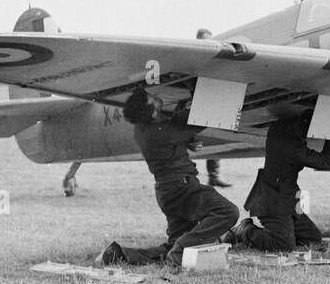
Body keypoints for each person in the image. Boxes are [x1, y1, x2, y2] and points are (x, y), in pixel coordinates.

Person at [100, 88, 240, 268]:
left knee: (173, 242)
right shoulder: (161, 132)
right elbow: (203, 116)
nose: (155, 96)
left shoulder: (145, 129)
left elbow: (173, 131)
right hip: (182, 189)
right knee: (228, 212)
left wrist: (185, 141)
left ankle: (120, 254)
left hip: (169, 191)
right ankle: (180, 252)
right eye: (151, 98)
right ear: (151, 109)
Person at [234, 111, 330, 251]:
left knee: (312, 238)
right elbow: (327, 162)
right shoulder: (293, 149)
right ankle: (245, 230)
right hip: (273, 202)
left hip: (285, 196)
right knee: (282, 246)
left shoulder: (280, 132)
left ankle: (280, 232)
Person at [195, 27, 231, 188]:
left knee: (215, 137)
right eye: (204, 42)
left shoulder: (213, 58)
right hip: (197, 101)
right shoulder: (193, 57)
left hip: (210, 99)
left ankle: (213, 177)